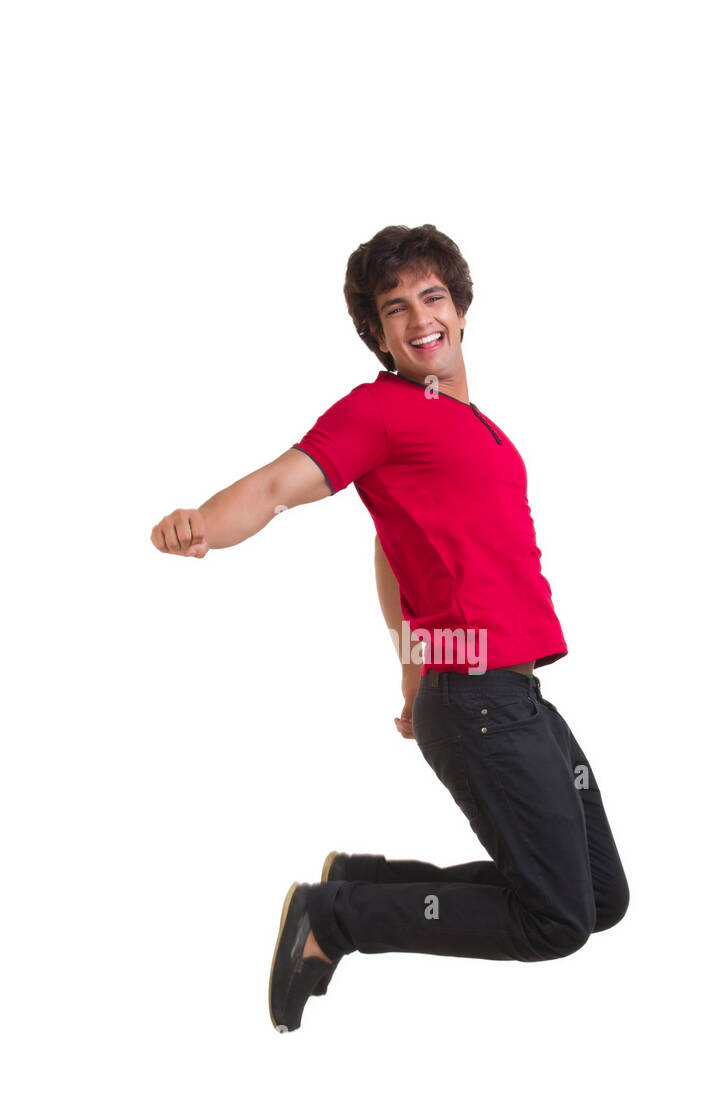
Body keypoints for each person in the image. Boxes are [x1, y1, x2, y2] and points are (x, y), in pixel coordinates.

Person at [150, 223, 630, 1032]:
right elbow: (274, 486)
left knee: (599, 895)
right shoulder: (381, 412)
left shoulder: (477, 427)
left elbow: (394, 550)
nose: (419, 320)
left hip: (509, 689)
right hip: (479, 703)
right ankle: (337, 918)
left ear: (463, 309)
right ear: (378, 336)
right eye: (395, 310)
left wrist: (412, 669)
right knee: (557, 921)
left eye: (432, 298)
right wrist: (202, 521)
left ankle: (362, 881)